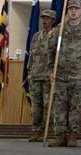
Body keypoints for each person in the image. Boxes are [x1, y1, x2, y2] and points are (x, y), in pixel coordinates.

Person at [46, 0, 81, 148]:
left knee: (76, 107)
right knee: (59, 107)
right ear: (67, 11)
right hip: (60, 75)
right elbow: (50, 51)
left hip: (79, 76)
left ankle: (72, 135)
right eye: (71, 9)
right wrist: (51, 70)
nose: (73, 11)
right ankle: (60, 135)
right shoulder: (59, 30)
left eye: (76, 9)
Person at [25, 8, 59, 142]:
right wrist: (29, 72)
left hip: (49, 76)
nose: (45, 21)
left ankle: (46, 130)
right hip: (35, 75)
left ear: (53, 20)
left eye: (48, 18)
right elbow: (32, 56)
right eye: (43, 18)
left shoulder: (57, 36)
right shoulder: (36, 36)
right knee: (36, 105)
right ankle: (36, 130)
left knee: (48, 105)